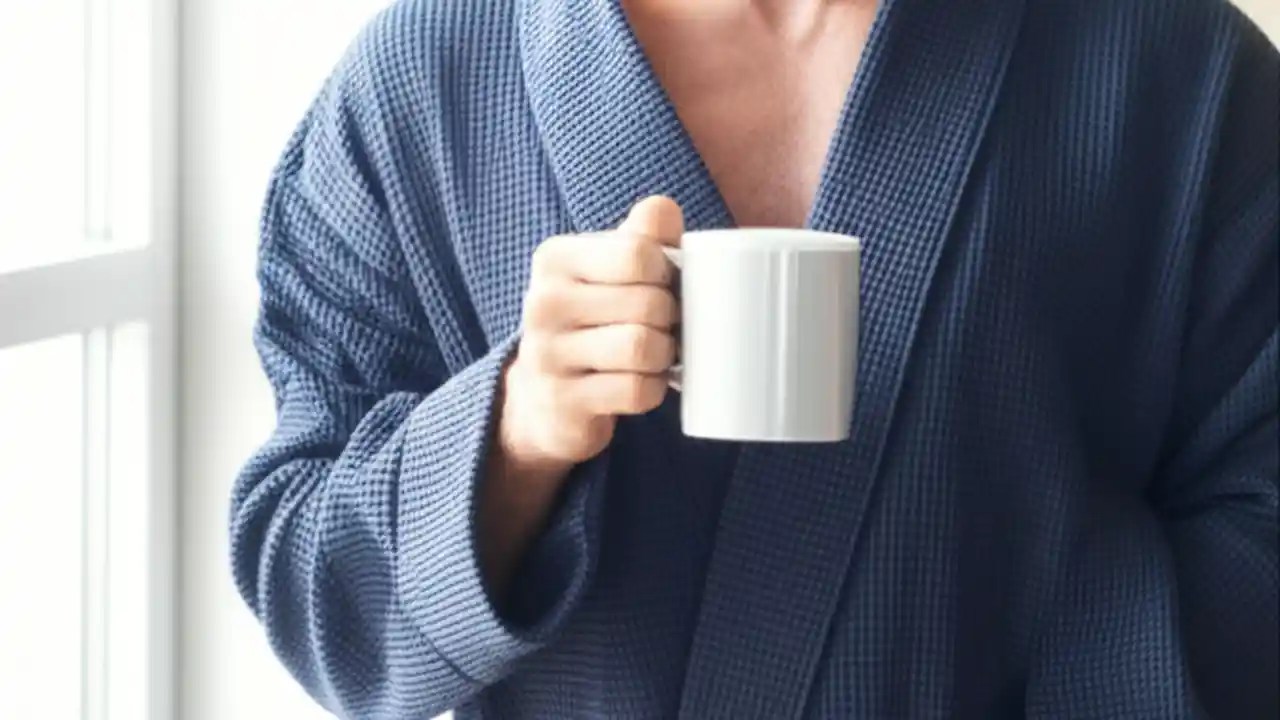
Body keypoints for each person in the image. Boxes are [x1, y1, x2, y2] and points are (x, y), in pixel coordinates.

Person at [229, 0, 1279, 716]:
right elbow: (314, 589)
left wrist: (1050, 635)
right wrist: (511, 440)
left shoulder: (1176, 69)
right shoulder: (423, 82)